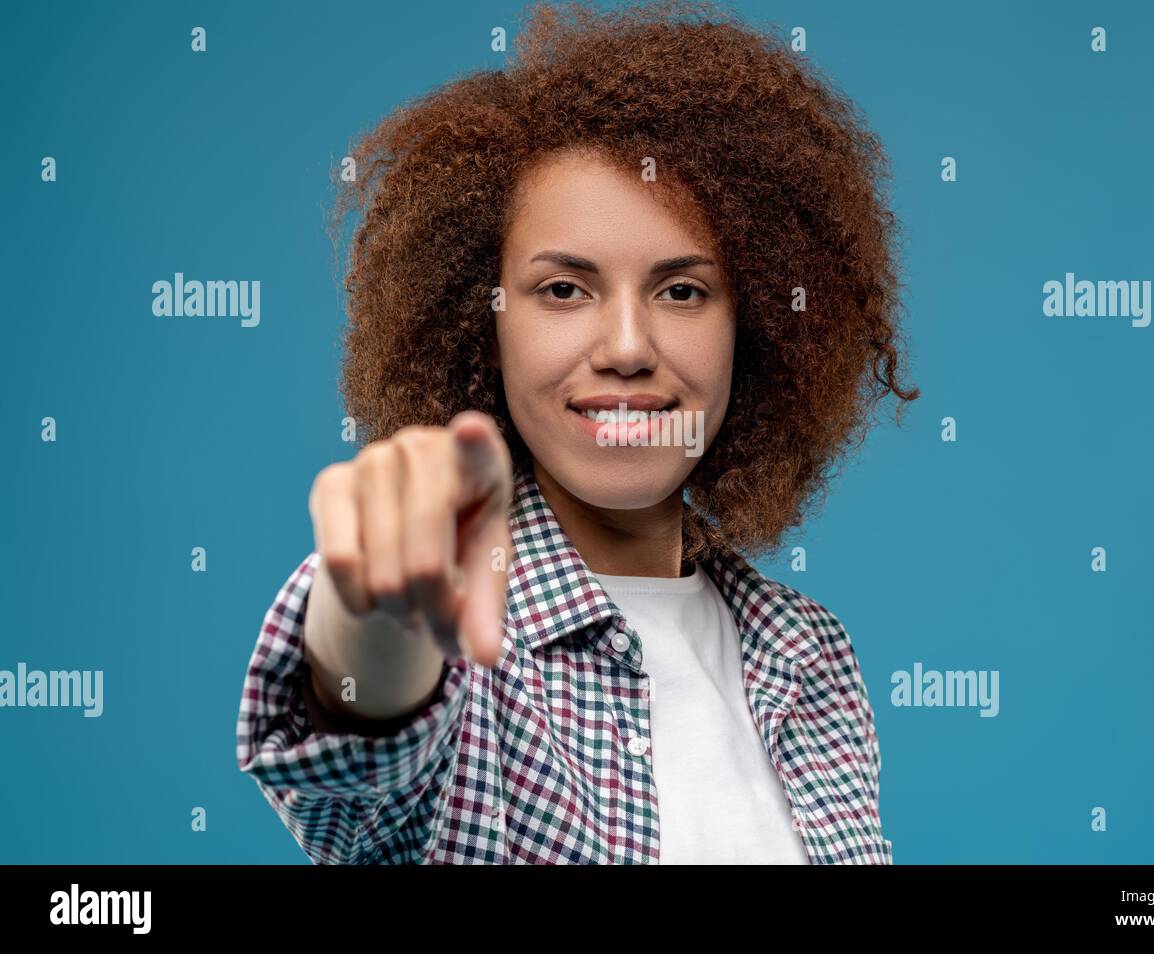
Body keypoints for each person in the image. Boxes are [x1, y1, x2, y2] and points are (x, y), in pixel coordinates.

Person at [236, 0, 918, 864]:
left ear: (754, 330)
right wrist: (375, 611)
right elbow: (360, 730)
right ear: (482, 321)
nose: (628, 348)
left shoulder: (806, 655)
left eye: (682, 291)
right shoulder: (454, 616)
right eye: (564, 290)